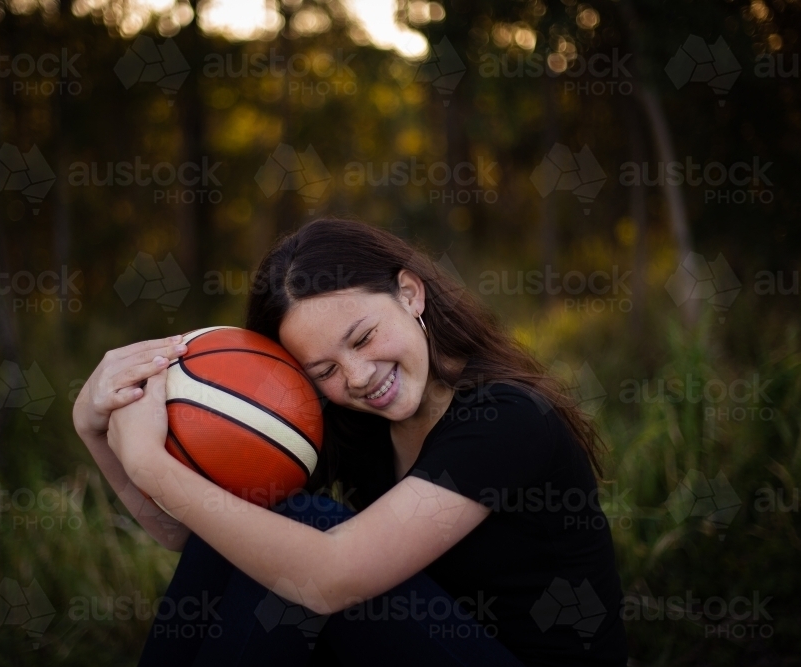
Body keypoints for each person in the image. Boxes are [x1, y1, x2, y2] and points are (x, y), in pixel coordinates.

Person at [73, 218, 629, 666]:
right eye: (324, 370)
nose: (359, 376)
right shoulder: (355, 423)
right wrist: (95, 431)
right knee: (276, 534)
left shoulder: (507, 419)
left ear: (409, 293)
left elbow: (329, 577)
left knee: (308, 527)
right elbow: (193, 535)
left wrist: (149, 461)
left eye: (362, 337)